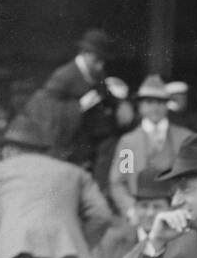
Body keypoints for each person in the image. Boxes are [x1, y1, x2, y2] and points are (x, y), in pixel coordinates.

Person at [0, 116, 112, 258]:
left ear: (9, 150)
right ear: (42, 151)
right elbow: (101, 215)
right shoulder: (73, 173)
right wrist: (76, 240)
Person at [22, 29, 125, 169]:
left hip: (89, 140)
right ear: (85, 53)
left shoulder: (97, 72)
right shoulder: (64, 75)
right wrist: (79, 106)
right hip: (66, 142)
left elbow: (106, 95)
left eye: (103, 61)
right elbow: (45, 109)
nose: (100, 65)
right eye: (97, 60)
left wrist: (121, 105)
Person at [108, 75, 193, 221]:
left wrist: (181, 208)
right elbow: (119, 182)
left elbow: (192, 179)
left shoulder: (184, 138)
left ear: (167, 105)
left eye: (160, 103)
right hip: (139, 216)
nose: (155, 108)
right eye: (149, 102)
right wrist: (131, 210)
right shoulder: (129, 143)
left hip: (176, 215)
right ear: (140, 106)